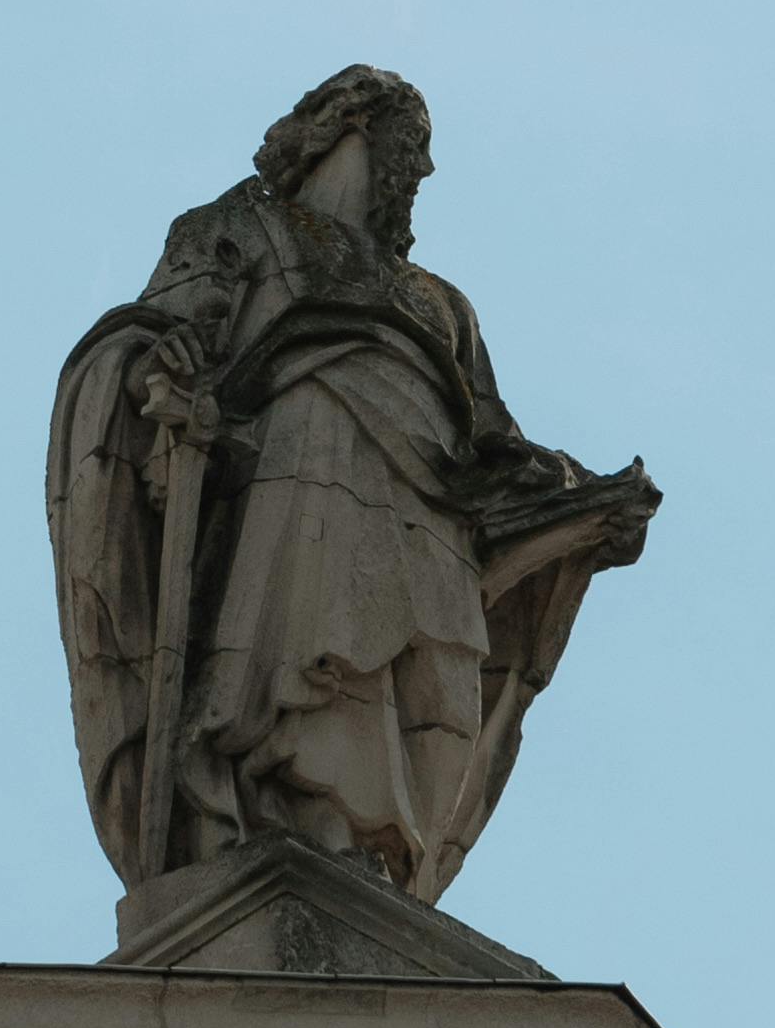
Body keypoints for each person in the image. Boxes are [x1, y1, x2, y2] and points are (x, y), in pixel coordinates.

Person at [46, 66, 656, 900]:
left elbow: (493, 448)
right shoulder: (235, 228)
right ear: (344, 123)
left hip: (428, 516)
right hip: (299, 465)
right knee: (302, 662)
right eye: (412, 145)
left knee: (430, 691)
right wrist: (165, 379)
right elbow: (152, 341)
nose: (423, 173)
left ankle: (381, 855)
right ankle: (277, 824)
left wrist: (581, 502)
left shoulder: (438, 302)